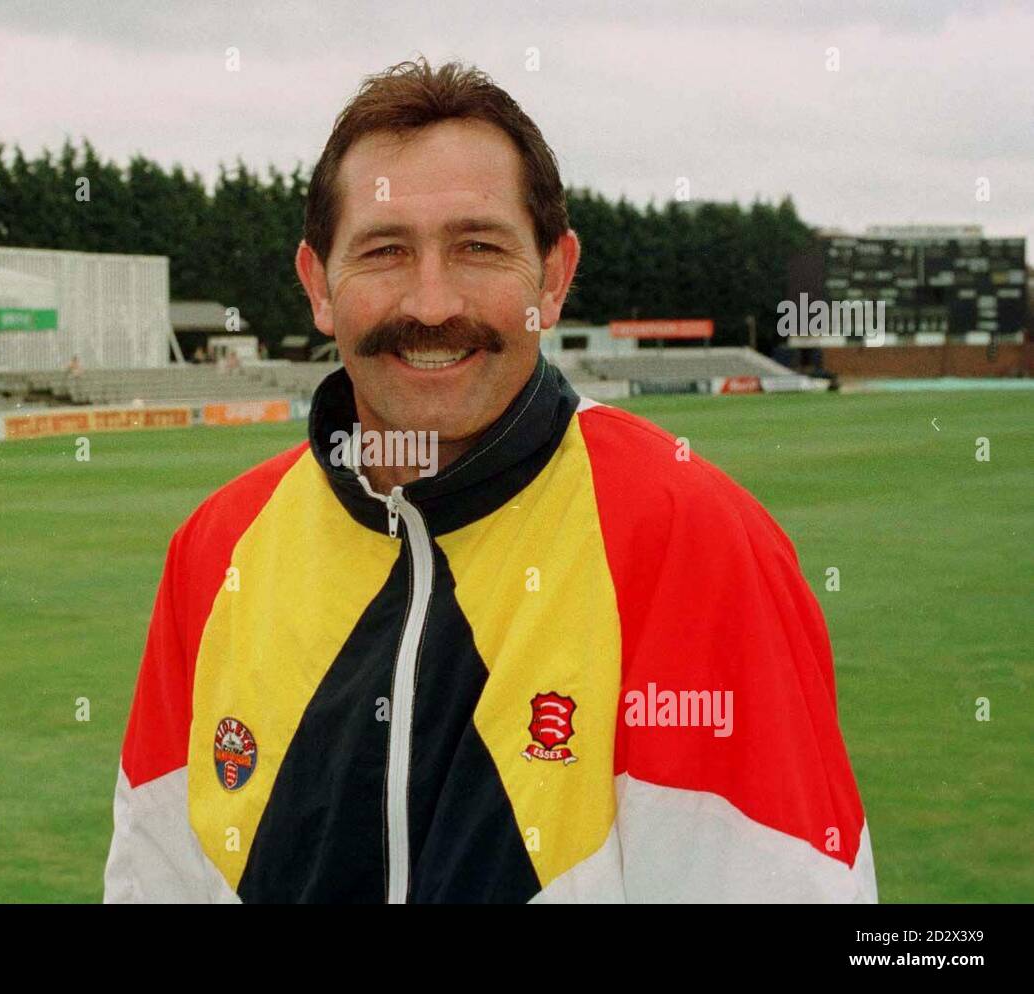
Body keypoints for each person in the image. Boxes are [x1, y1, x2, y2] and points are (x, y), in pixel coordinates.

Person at [103, 57, 876, 903]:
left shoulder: (693, 536)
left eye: (478, 247)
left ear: (551, 275)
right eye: (386, 251)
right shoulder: (216, 552)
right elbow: (156, 879)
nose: (432, 304)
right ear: (318, 286)